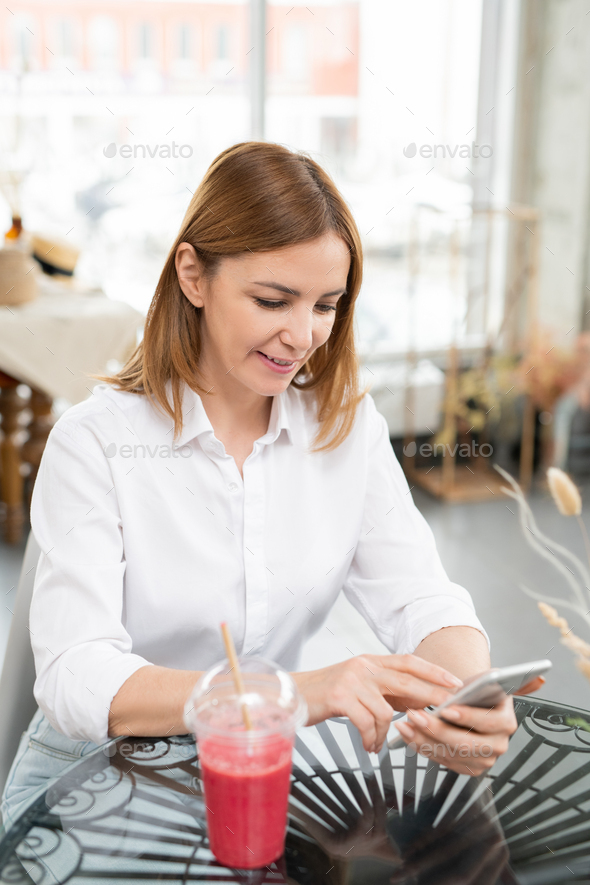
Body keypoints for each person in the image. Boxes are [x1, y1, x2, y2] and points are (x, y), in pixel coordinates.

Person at [2, 141, 520, 830]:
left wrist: (466, 694)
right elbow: (76, 675)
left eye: (326, 305)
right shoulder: (94, 442)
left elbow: (421, 596)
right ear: (193, 275)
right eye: (273, 300)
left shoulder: (345, 428)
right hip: (94, 780)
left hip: (253, 771)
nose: (302, 336)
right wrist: (288, 693)